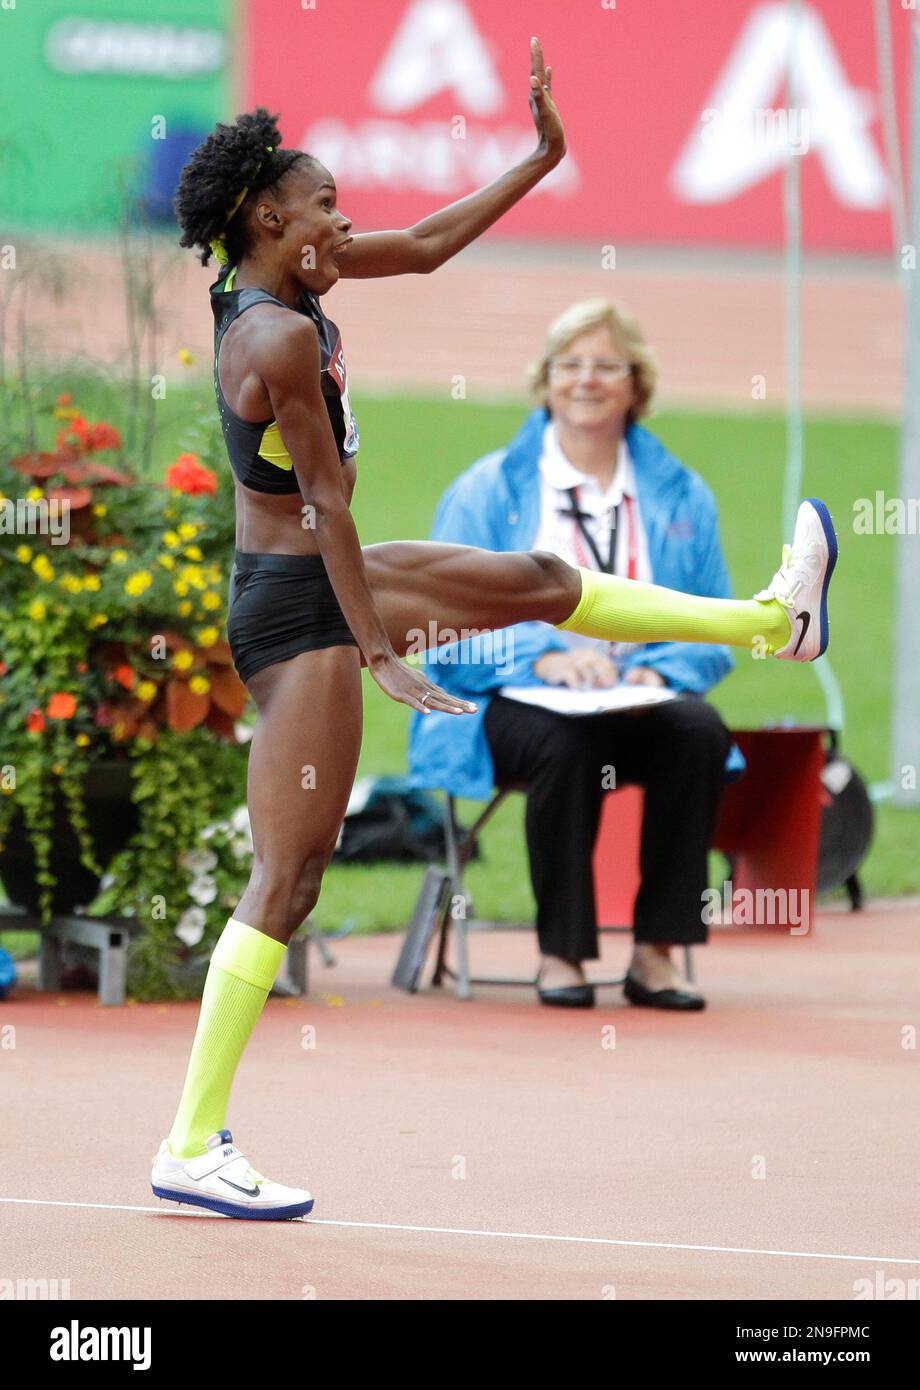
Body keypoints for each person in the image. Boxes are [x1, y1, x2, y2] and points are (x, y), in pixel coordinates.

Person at [152, 41, 837, 1221]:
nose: (344, 215)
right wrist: (376, 652)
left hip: (329, 575)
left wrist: (538, 158)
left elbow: (419, 246)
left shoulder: (293, 276)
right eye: (325, 203)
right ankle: (192, 1138)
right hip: (300, 602)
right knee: (292, 874)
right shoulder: (272, 336)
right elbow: (321, 505)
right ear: (269, 216)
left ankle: (773, 621)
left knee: (530, 574)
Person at [409, 299, 741, 1011]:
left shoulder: (683, 494)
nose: (586, 381)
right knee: (565, 745)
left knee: (699, 732)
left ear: (636, 384)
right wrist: (543, 657)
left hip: (634, 698)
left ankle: (657, 954)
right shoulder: (486, 488)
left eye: (606, 366)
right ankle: (560, 953)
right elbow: (443, 623)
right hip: (507, 705)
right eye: (570, 365)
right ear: (547, 379)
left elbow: (719, 623)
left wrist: (662, 668)